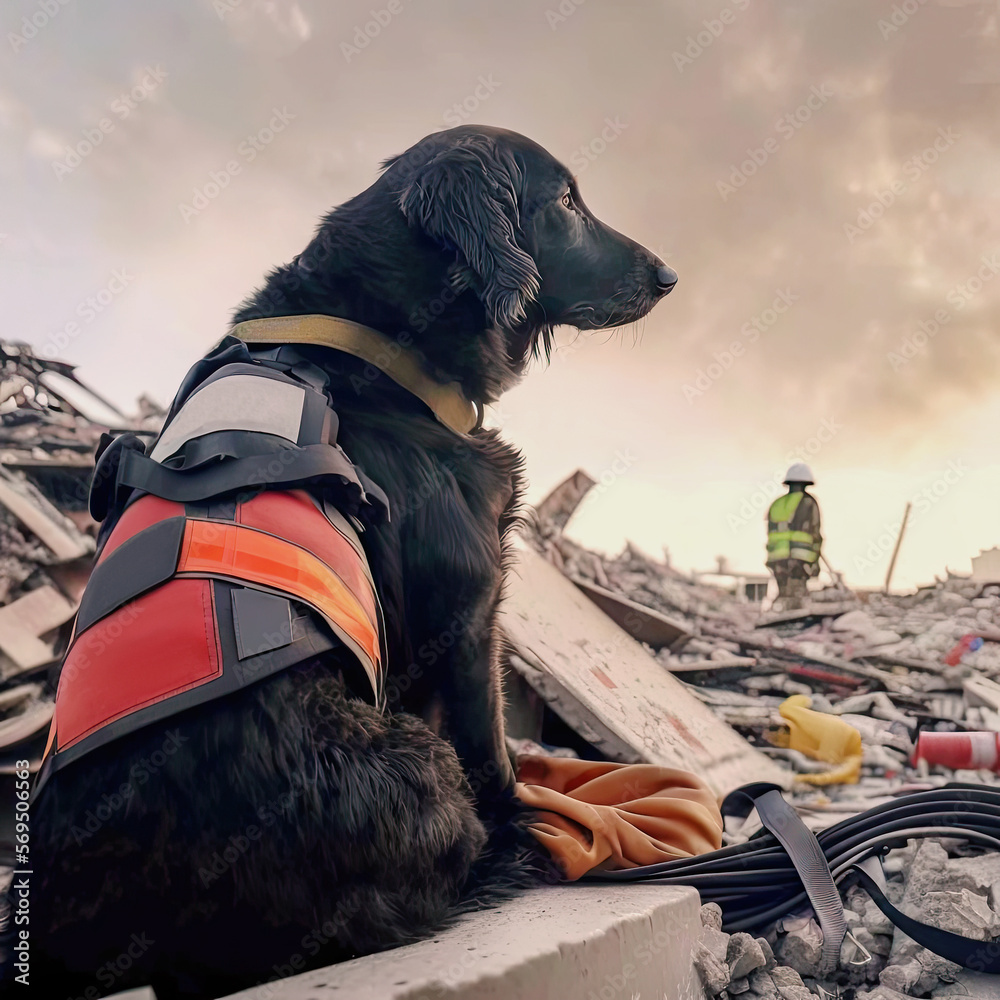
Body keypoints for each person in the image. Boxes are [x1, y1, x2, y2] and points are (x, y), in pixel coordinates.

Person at [766, 463, 822, 610]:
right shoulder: (808, 502)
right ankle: (794, 625)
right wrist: (816, 562)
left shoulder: (777, 504)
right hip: (799, 558)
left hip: (776, 558)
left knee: (784, 593)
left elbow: (770, 532)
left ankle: (778, 618)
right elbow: (815, 533)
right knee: (797, 597)